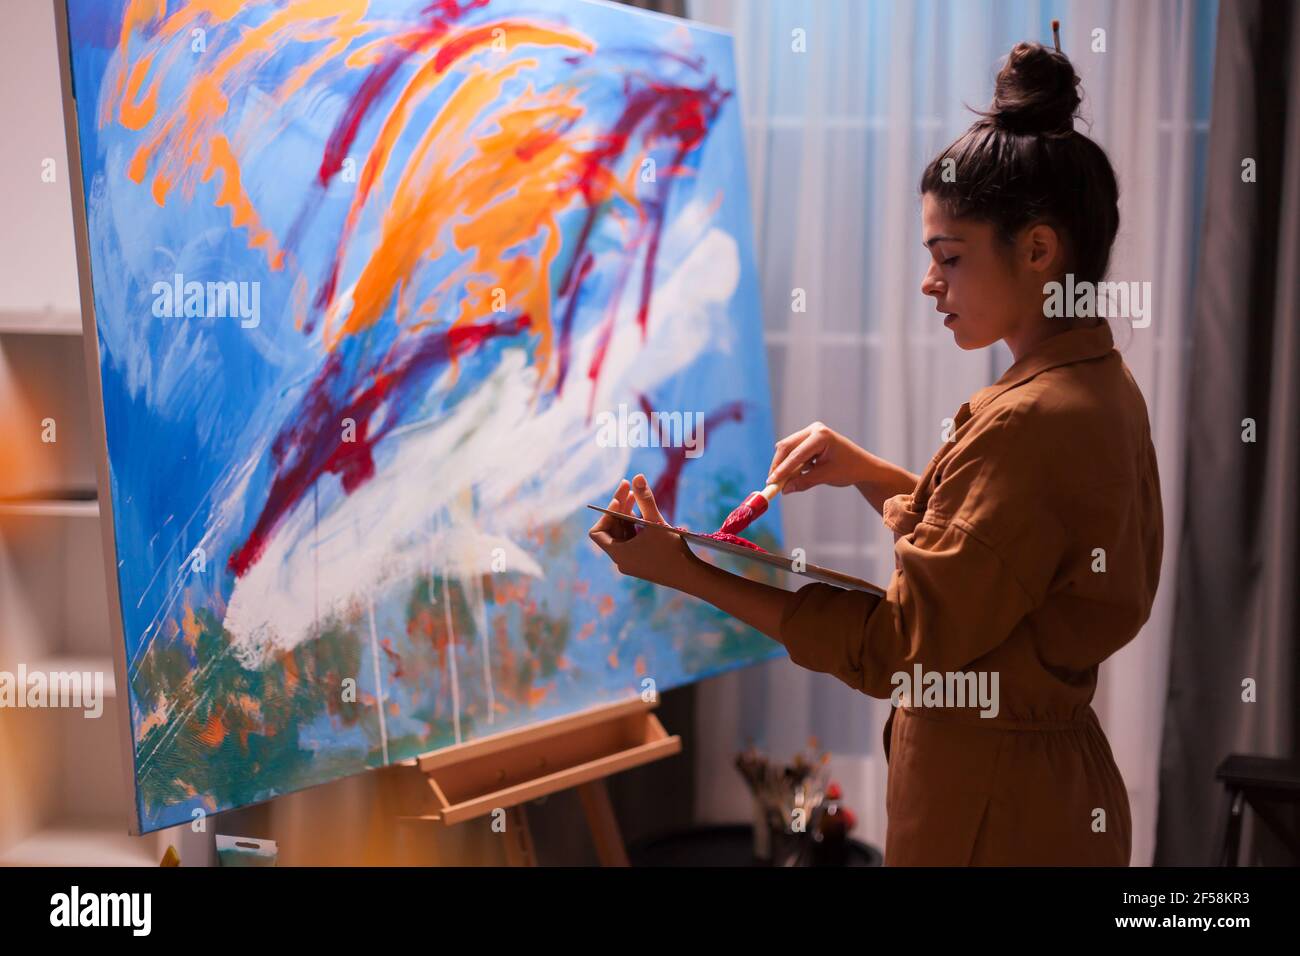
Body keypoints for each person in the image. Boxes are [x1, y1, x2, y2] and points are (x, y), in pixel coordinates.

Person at [588, 38, 1162, 865]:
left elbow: (895, 647)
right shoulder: (1097, 388)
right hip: (1046, 792)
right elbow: (994, 567)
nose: (931, 284)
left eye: (949, 258)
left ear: (1039, 252)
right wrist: (870, 473)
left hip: (992, 816)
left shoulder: (1031, 423)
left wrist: (684, 571)